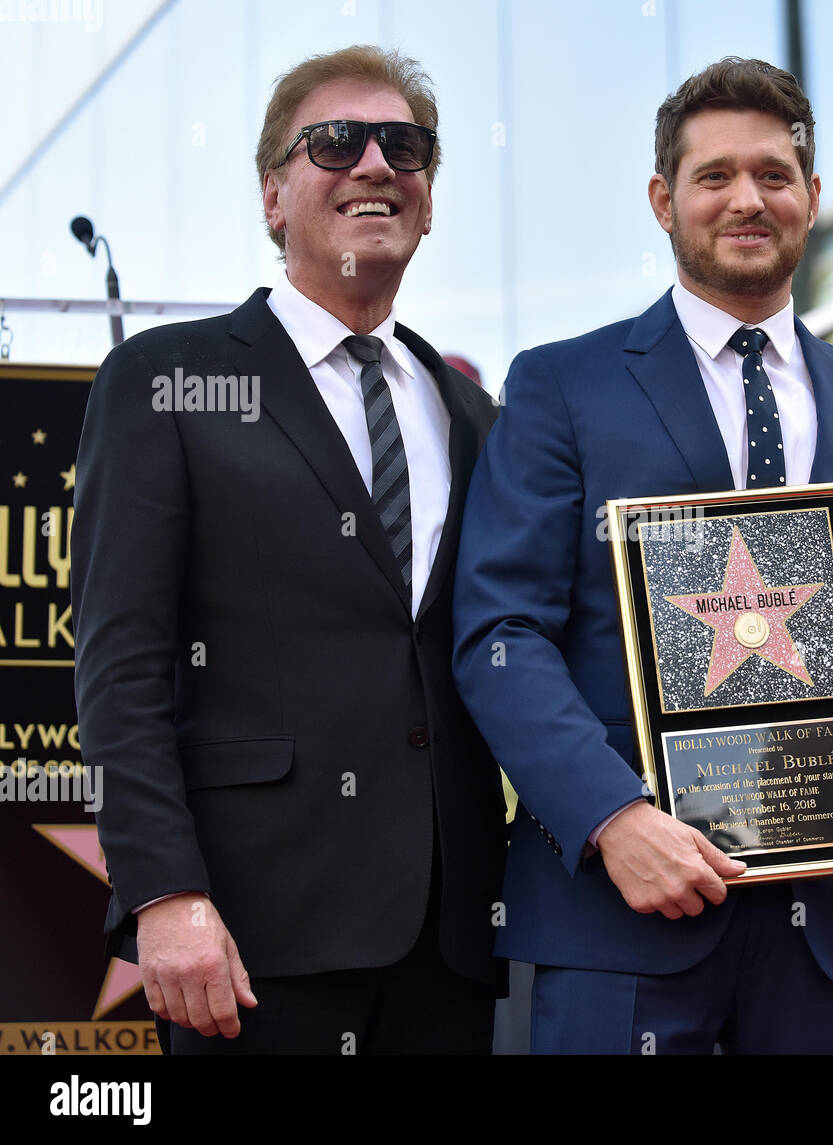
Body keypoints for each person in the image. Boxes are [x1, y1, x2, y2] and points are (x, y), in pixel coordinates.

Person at [451, 57, 833, 1055]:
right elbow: (502, 631)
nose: (746, 198)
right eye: (713, 176)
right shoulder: (561, 387)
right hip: (619, 909)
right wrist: (611, 816)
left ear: (812, 197)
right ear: (663, 200)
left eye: (773, 174)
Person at [71, 45, 506, 1054]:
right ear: (273, 197)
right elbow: (121, 663)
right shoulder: (165, 381)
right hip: (249, 942)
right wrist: (166, 892)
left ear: (429, 198)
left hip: (451, 945)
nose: (373, 164)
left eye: (405, 146)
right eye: (334, 143)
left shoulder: (475, 414)